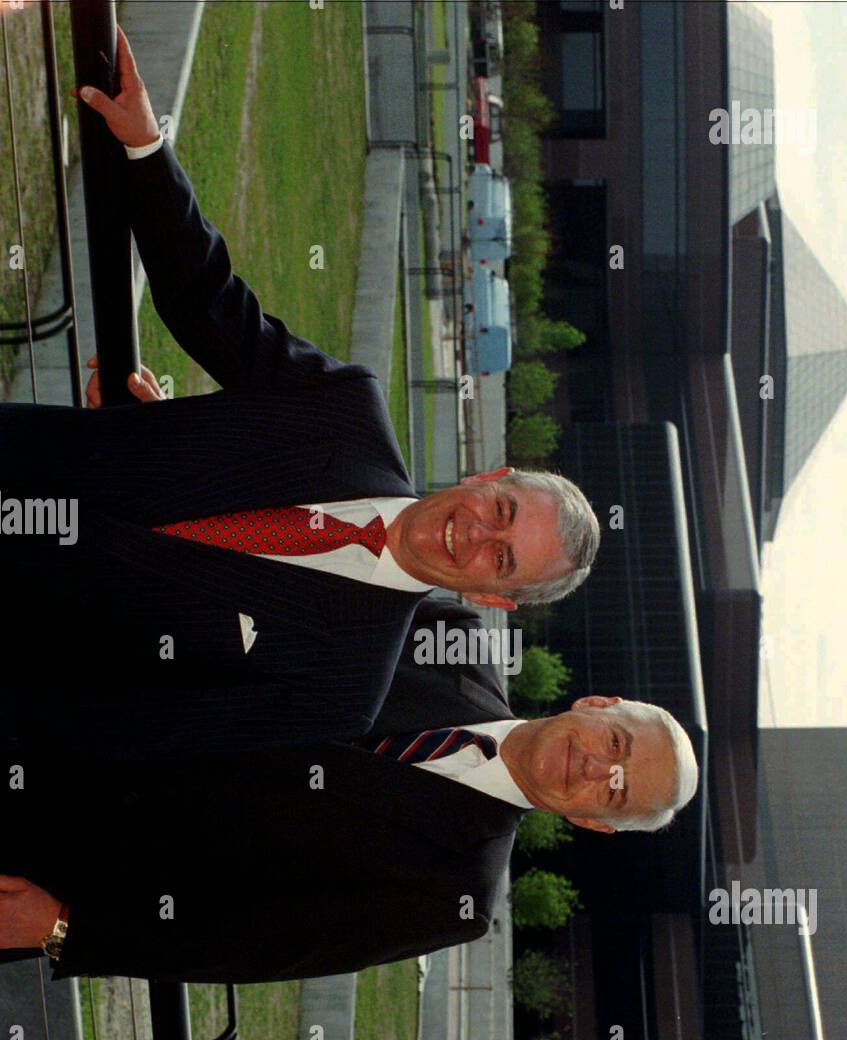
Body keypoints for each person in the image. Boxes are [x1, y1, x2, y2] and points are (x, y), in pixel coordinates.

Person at [1, 26, 599, 761]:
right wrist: (147, 149)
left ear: (491, 600)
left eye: (501, 559)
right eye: (500, 511)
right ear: (489, 477)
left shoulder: (344, 689)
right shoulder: (347, 412)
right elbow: (208, 305)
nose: (476, 535)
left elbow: (146, 734)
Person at [0, 600, 699, 984]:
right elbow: (277, 593)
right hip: (58, 696)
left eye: (613, 792)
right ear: (601, 703)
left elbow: (264, 944)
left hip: (54, 861)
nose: (591, 769)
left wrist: (70, 928)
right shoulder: (451, 639)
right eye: (616, 747)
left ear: (591, 823)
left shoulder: (457, 897)